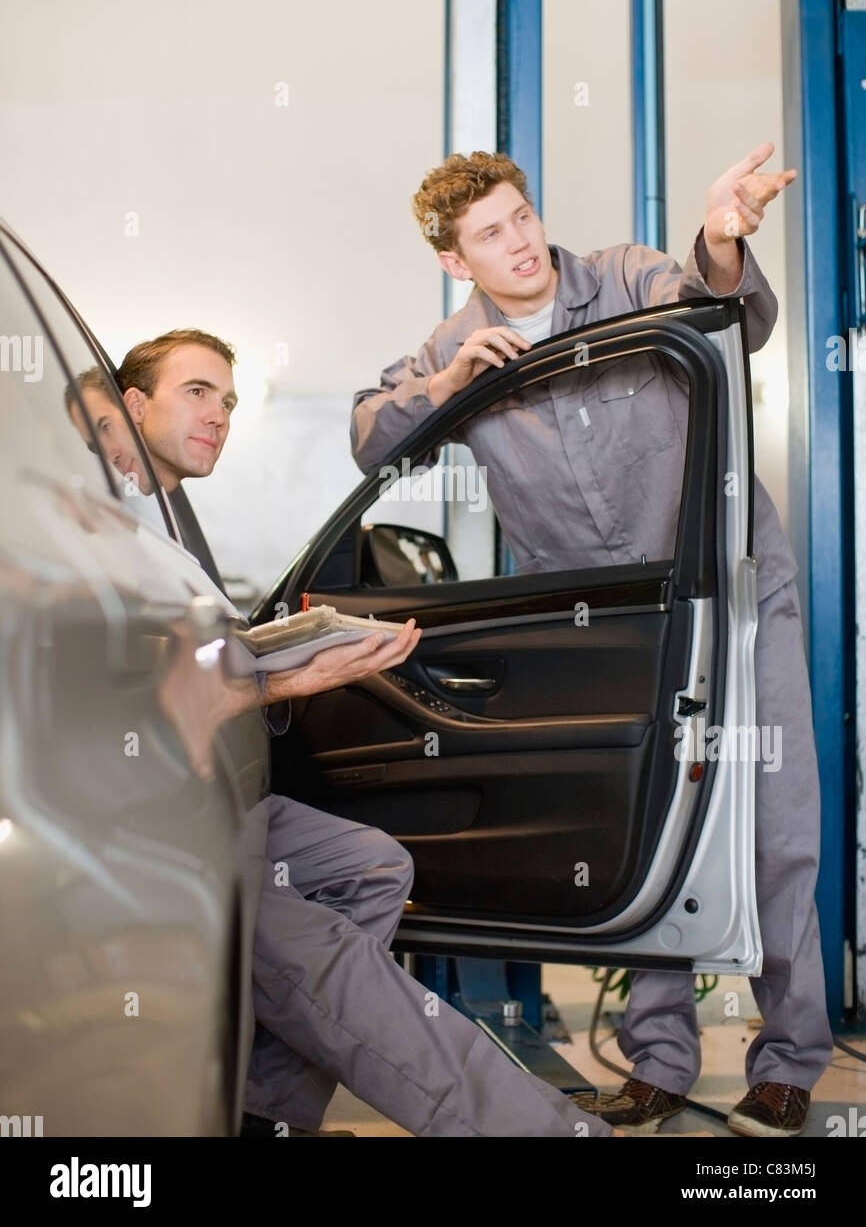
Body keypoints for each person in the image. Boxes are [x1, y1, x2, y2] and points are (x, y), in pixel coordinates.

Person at [350, 146, 834, 1138]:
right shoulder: (450, 343)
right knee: (643, 831)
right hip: (614, 628)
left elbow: (727, 312)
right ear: (455, 261)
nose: (520, 241)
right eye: (490, 233)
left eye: (521, 216)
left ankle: (785, 1065)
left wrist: (720, 237)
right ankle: (657, 1063)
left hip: (736, 591)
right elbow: (367, 439)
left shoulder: (626, 276)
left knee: (776, 828)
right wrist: (442, 386)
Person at [114, 328, 615, 1138]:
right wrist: (285, 678)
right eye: (197, 393)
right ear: (133, 405)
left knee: (374, 866)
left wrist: (287, 656)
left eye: (230, 400)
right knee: (327, 965)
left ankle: (264, 1113)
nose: (220, 415)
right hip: (161, 827)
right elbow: (133, 700)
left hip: (218, 800)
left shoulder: (173, 524)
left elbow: (208, 659)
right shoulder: (109, 534)